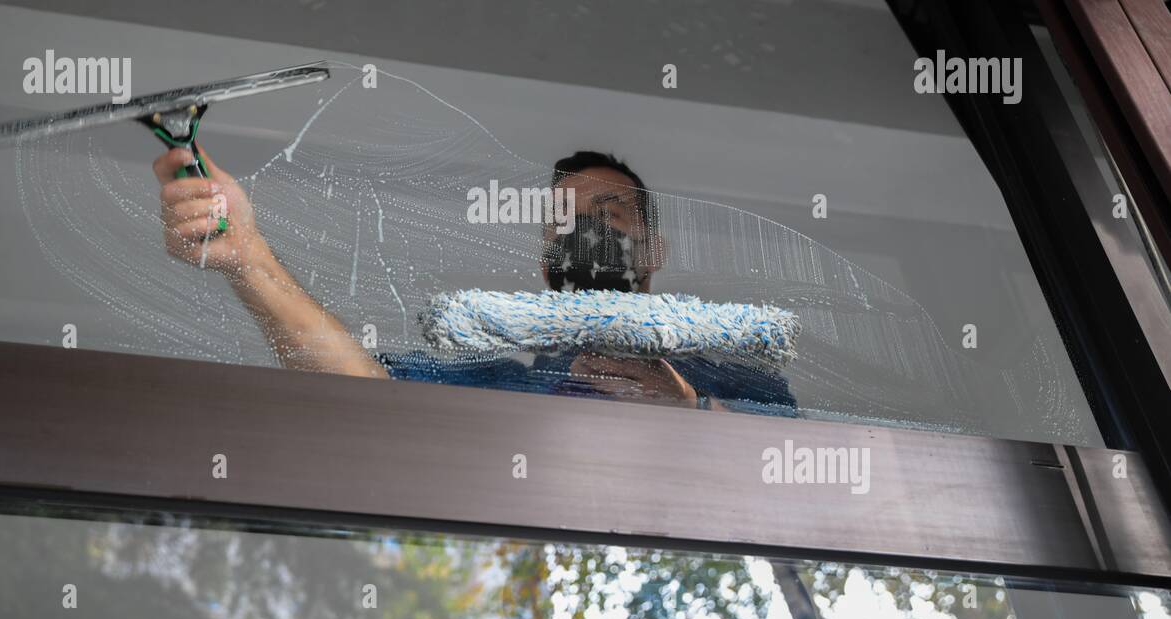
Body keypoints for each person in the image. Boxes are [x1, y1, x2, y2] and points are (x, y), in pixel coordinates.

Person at [153, 144, 796, 414]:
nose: (590, 235)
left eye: (610, 215)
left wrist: (691, 410)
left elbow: (814, 472)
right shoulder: (501, 388)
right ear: (548, 265)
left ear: (652, 249)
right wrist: (249, 256)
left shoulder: (737, 379)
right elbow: (362, 389)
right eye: (564, 224)